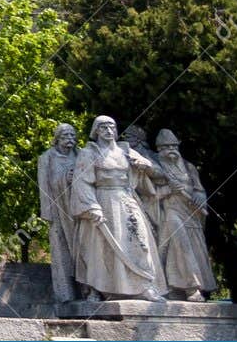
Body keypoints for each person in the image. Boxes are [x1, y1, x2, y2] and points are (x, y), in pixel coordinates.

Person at [69, 115, 166, 301]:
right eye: (104, 127)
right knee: (100, 247)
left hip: (127, 199)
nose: (109, 131)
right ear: (96, 131)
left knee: (140, 241)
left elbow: (159, 174)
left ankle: (145, 285)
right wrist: (91, 206)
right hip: (103, 200)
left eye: (112, 127)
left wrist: (146, 165)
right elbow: (81, 182)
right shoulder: (89, 153)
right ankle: (97, 289)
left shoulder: (125, 151)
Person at [151, 130, 217, 300]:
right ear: (159, 149)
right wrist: (168, 189)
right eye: (166, 147)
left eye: (174, 146)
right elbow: (149, 195)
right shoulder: (156, 169)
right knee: (182, 245)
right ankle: (192, 287)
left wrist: (199, 196)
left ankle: (175, 287)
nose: (171, 149)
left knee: (190, 249)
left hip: (191, 214)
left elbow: (199, 190)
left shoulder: (189, 167)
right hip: (169, 212)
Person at [37, 122, 81, 302]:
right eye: (65, 136)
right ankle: (66, 294)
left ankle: (88, 289)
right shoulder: (47, 157)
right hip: (59, 211)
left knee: (83, 248)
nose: (69, 139)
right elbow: (44, 186)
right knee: (62, 251)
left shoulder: (81, 155)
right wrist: (48, 212)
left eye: (72, 136)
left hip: (80, 209)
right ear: (57, 139)